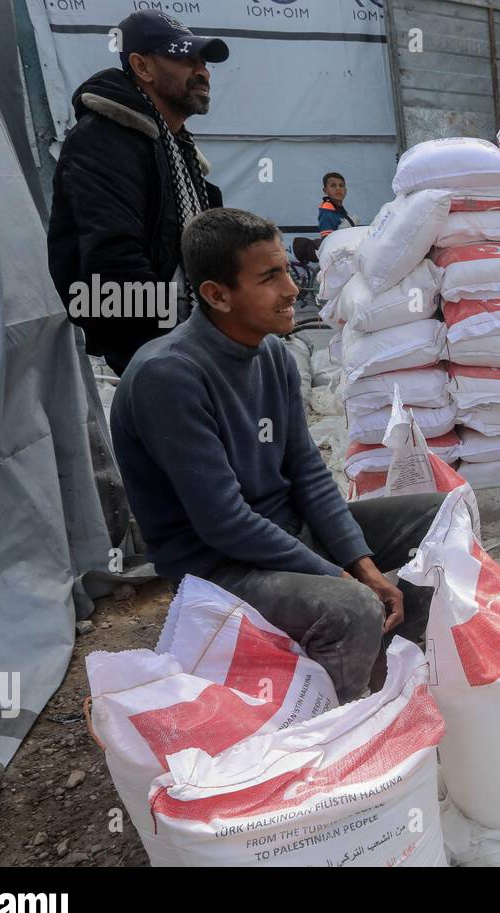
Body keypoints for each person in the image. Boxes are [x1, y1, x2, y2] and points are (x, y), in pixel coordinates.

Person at [110, 208, 442, 702]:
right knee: (350, 606)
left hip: (283, 534)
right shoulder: (170, 377)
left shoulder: (272, 355)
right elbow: (224, 523)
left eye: (287, 269)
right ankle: (338, 727)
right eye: (270, 277)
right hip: (218, 567)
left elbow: (308, 472)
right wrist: (342, 575)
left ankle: (388, 672)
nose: (292, 289)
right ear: (217, 295)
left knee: (440, 517)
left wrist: (364, 565)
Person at [47, 11, 228, 375]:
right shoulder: (104, 140)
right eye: (184, 57)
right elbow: (114, 258)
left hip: (186, 335)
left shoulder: (177, 147)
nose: (202, 71)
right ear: (141, 66)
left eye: (204, 61)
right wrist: (165, 351)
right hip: (153, 344)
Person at [318, 172, 355, 237]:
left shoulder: (341, 212)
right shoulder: (327, 216)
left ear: (345, 191)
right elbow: (328, 242)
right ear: (325, 191)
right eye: (333, 185)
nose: (338, 188)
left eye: (341, 186)